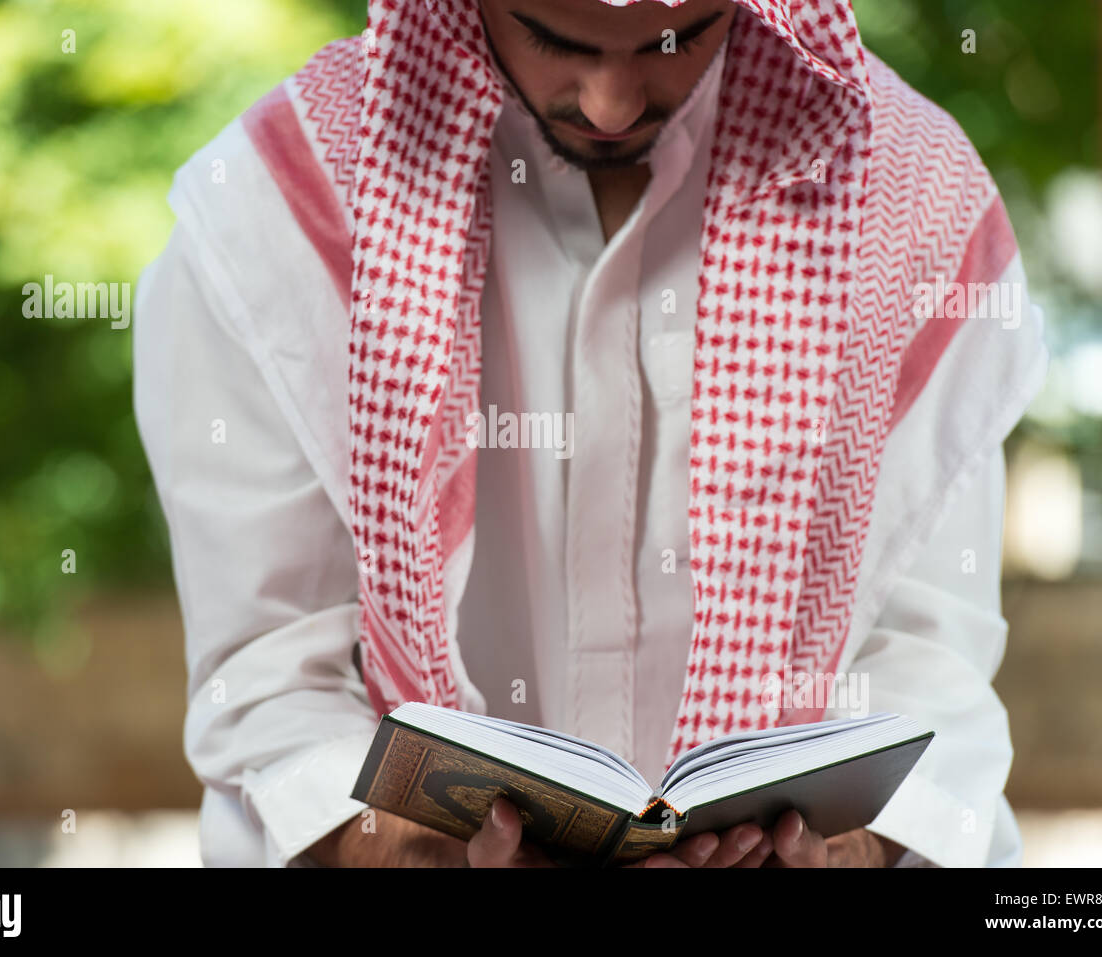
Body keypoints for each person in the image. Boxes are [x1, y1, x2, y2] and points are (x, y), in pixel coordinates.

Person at [133, 0, 1048, 867]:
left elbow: (933, 659)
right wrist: (394, 843)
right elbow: (267, 676)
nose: (612, 103)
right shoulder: (266, 214)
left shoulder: (914, 195)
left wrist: (854, 845)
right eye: (553, 36)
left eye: (676, 38)